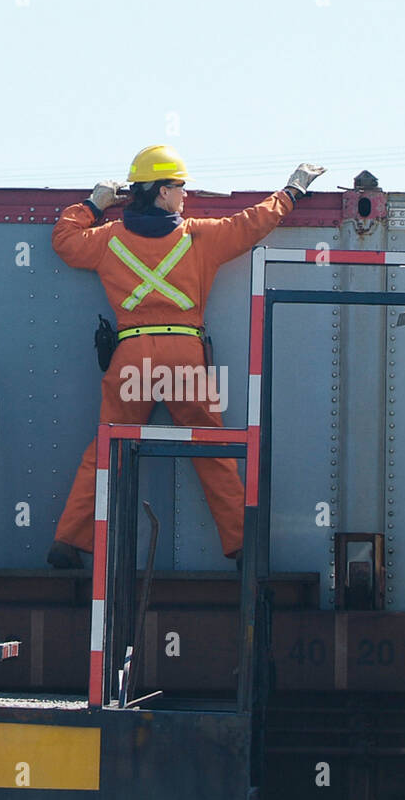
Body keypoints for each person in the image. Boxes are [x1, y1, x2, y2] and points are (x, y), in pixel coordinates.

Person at [47, 144, 325, 568]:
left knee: (108, 449)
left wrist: (92, 203)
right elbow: (253, 224)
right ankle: (241, 545)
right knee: (211, 448)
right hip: (183, 356)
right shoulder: (199, 236)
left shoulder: (107, 239)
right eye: (179, 186)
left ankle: (68, 541)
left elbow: (64, 242)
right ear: (160, 192)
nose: (185, 195)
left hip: (132, 355)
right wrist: (292, 190)